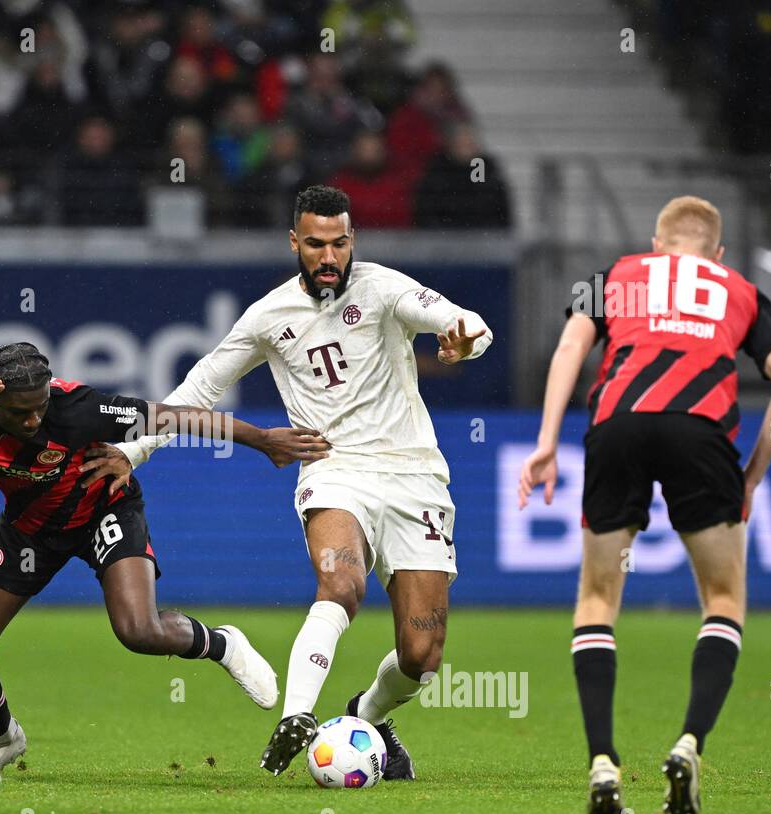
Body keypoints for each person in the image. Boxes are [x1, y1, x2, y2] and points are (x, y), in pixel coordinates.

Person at [97, 185, 493, 778]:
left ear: (352, 240)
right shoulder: (267, 316)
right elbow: (201, 387)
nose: (329, 256)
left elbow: (467, 323)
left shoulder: (384, 289)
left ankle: (366, 711)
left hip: (416, 476)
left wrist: (466, 341)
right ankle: (297, 716)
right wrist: (134, 451)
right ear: (294, 243)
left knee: (422, 655)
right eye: (315, 244)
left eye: (339, 243)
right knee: (341, 584)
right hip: (334, 469)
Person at [518, 196, 771, 814]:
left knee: (597, 598)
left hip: (617, 424)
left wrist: (546, 441)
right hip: (700, 435)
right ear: (717, 253)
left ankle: (602, 761)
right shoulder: (743, 291)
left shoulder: (616, 274)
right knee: (723, 597)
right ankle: (688, 744)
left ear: (656, 245)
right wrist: (753, 472)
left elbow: (570, 348)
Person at [0, 343, 329, 771]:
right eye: (19, 412)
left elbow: (180, 417)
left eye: (39, 408)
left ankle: (221, 643)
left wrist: (262, 439)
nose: (32, 420)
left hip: (103, 508)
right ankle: (4, 737)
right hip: (29, 531)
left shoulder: (78, 408)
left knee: (139, 631)